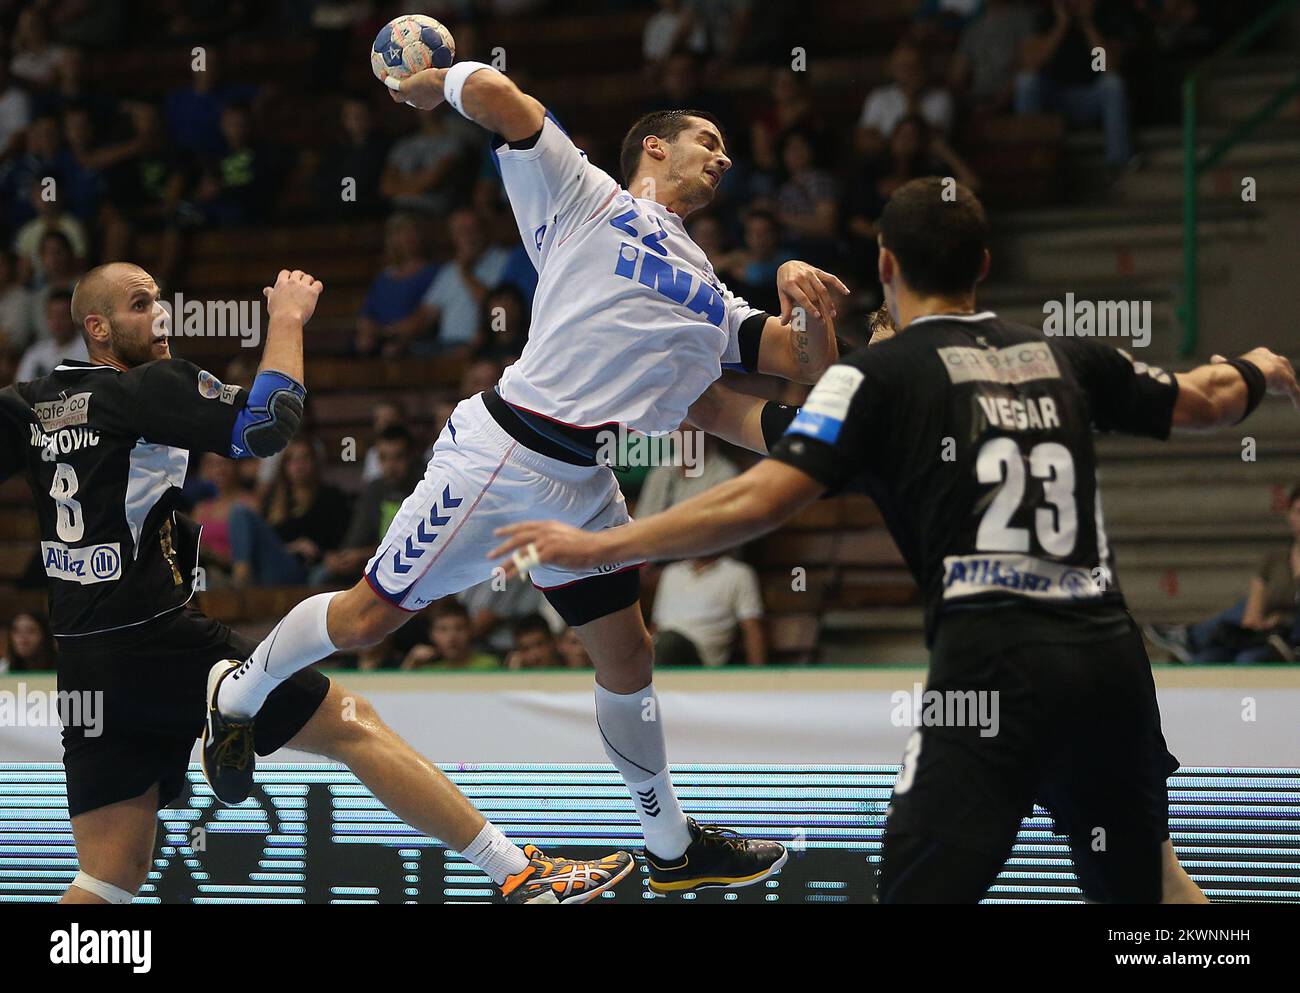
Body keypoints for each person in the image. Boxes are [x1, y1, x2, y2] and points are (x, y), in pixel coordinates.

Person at [490, 176, 1300, 903]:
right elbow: (1210, 396)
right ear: (982, 264)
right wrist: (1260, 367)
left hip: (993, 670)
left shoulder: (874, 382)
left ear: (883, 265)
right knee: (1152, 893)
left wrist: (597, 547)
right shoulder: (1060, 352)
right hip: (1111, 664)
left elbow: (760, 496)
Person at [209, 57, 854, 893]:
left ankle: (670, 847)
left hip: (585, 483)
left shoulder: (709, 292)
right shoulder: (587, 199)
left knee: (629, 658)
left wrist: (808, 302)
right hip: (503, 456)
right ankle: (237, 693)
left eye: (728, 149)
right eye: (708, 140)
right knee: (368, 617)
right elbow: (503, 103)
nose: (723, 157)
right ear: (652, 147)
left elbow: (801, 367)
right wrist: (432, 80)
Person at [0, 262, 630, 905]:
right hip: (158, 641)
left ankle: (229, 704)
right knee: (352, 721)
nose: (161, 314)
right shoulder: (146, 390)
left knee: (107, 878)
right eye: (140, 305)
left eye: (162, 299)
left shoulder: (30, 403)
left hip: (82, 661)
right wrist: (287, 319)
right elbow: (266, 421)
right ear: (97, 328)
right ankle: (517, 872)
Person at [1145, 482, 1300, 663]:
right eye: (1297, 511)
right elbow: (1251, 617)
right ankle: (1192, 641)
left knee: (1248, 659)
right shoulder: (1274, 560)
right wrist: (1266, 624)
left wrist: (1281, 619)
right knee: (1205, 660)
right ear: (1288, 514)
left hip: (1290, 639)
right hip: (1263, 634)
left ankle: (1192, 636)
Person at [1015, 0, 1138, 169]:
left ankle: (1119, 163)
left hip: (1091, 99)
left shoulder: (1107, 16)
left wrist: (1087, 24)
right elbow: (1032, 64)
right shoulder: (1047, 17)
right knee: (1026, 82)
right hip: (1054, 100)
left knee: (1113, 84)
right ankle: (1029, 162)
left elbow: (1107, 67)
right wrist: (1061, 26)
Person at [652, 554, 766, 666]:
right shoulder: (671, 573)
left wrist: (759, 677)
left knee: (668, 642)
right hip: (662, 650)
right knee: (651, 645)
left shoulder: (739, 573)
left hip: (702, 660)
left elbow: (751, 628)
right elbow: (656, 625)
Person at [402, 599, 500, 670]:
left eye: (459, 628)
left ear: (471, 630)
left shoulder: (490, 665)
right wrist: (411, 662)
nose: (452, 637)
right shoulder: (425, 669)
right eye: (443, 629)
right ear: (431, 634)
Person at [16, 288, 87, 381]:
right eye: (53, 315)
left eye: (63, 315)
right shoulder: (35, 352)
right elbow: (20, 387)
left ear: (75, 316)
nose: (57, 321)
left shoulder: (88, 351)